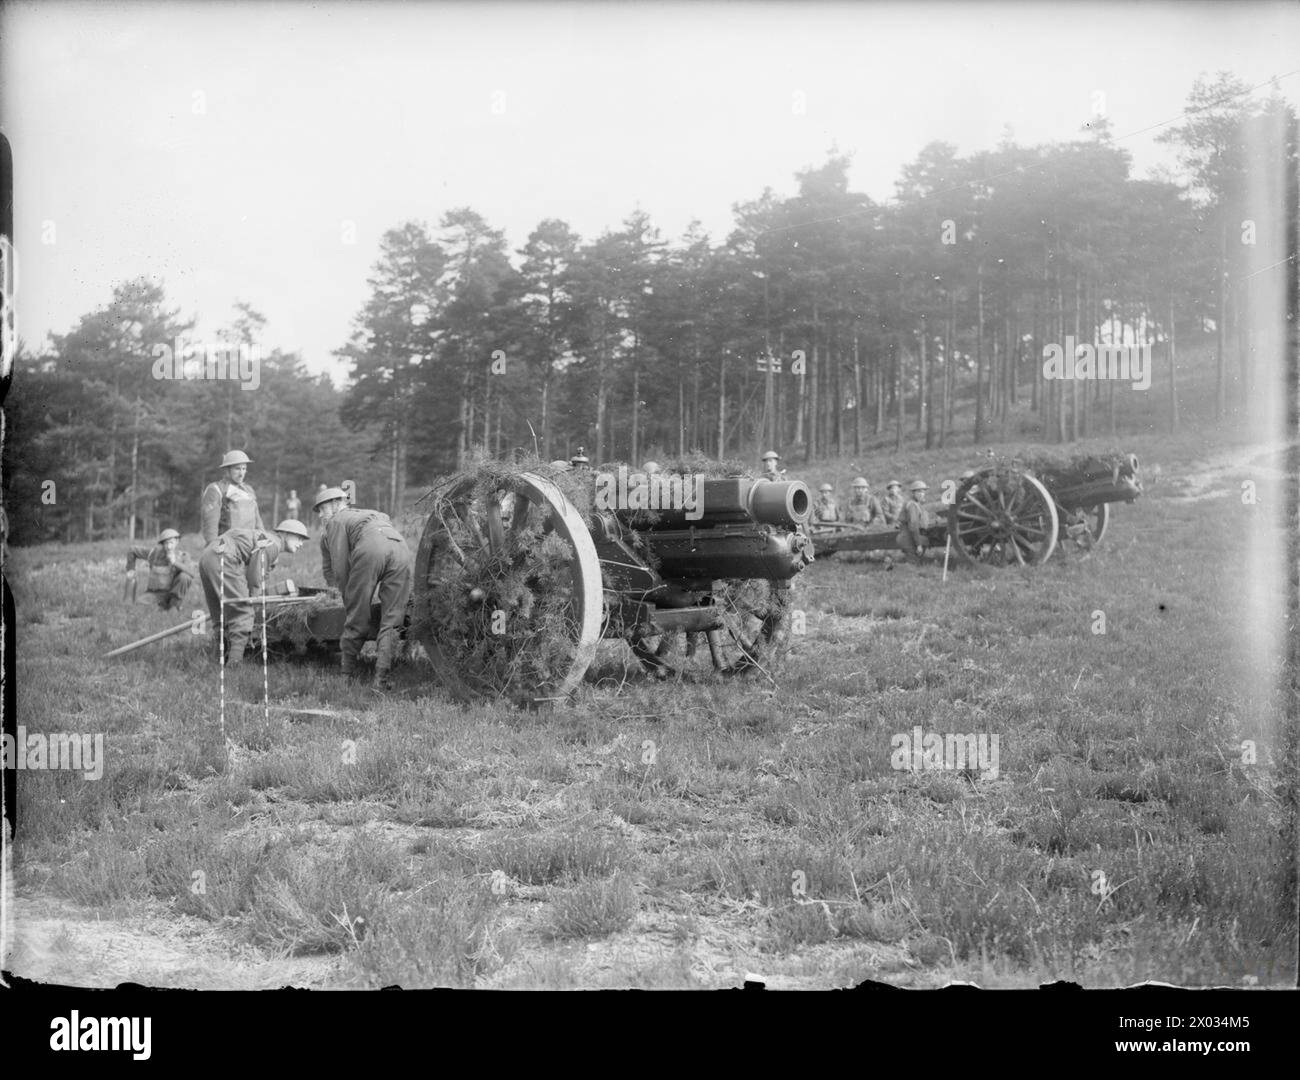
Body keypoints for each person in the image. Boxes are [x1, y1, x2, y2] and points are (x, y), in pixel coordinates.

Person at [314, 487, 413, 690]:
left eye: (321, 510)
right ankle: (381, 678)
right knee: (393, 618)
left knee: (357, 614)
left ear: (334, 505)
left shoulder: (336, 521)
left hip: (371, 547)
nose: (320, 516)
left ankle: (346, 676)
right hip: (401, 548)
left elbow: (340, 568)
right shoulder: (369, 514)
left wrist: (346, 595)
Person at [198, 519, 309, 664]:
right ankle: (234, 664)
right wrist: (251, 600)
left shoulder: (266, 539)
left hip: (208, 556)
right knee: (243, 612)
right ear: (285, 533)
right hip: (224, 557)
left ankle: (217, 658)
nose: (301, 543)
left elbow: (255, 571)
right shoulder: (272, 544)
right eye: (299, 538)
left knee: (220, 611)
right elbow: (255, 576)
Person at [200, 451, 264, 544]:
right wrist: (214, 548)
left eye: (244, 468)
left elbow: (258, 522)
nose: (241, 473)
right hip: (227, 547)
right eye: (237, 469)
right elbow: (211, 527)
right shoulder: (216, 489)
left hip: (249, 545)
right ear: (227, 470)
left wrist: (264, 541)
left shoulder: (248, 490)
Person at [125, 528, 194, 612]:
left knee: (185, 577)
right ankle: (162, 606)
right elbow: (132, 550)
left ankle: (174, 606)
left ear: (177, 541)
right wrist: (130, 570)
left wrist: (174, 562)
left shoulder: (183, 556)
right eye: (166, 543)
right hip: (155, 593)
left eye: (171, 542)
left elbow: (192, 573)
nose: (169, 547)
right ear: (162, 544)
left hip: (173, 594)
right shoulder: (154, 553)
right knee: (138, 607)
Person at [896, 480, 933, 562]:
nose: (921, 494)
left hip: (911, 537)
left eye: (923, 491)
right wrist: (918, 545)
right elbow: (913, 526)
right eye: (918, 491)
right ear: (913, 493)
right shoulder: (912, 505)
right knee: (912, 565)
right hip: (908, 538)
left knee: (917, 561)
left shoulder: (917, 504)